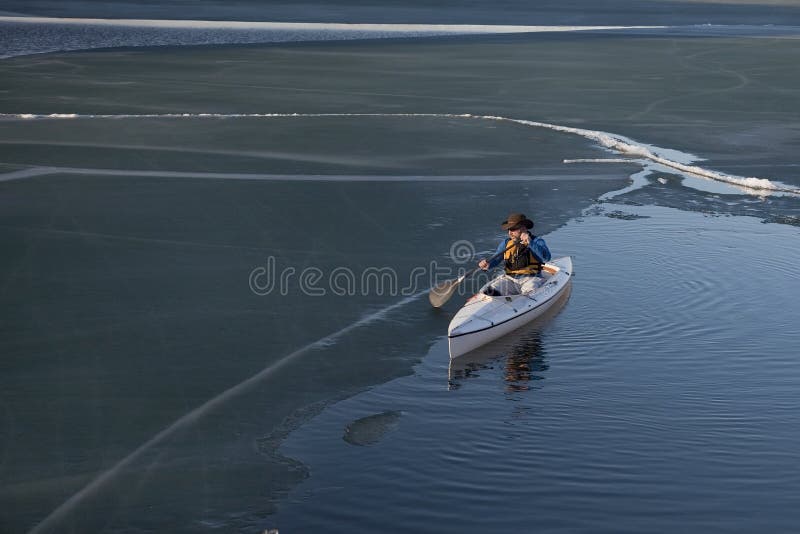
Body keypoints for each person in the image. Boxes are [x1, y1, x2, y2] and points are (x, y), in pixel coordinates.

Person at [477, 212, 551, 296]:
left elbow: (546, 257)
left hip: (532, 279)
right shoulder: (506, 243)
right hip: (510, 280)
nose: (509, 233)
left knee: (529, 294)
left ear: (523, 228)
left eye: (512, 229)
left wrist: (530, 242)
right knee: (490, 292)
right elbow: (496, 259)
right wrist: (487, 265)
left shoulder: (537, 241)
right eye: (508, 229)